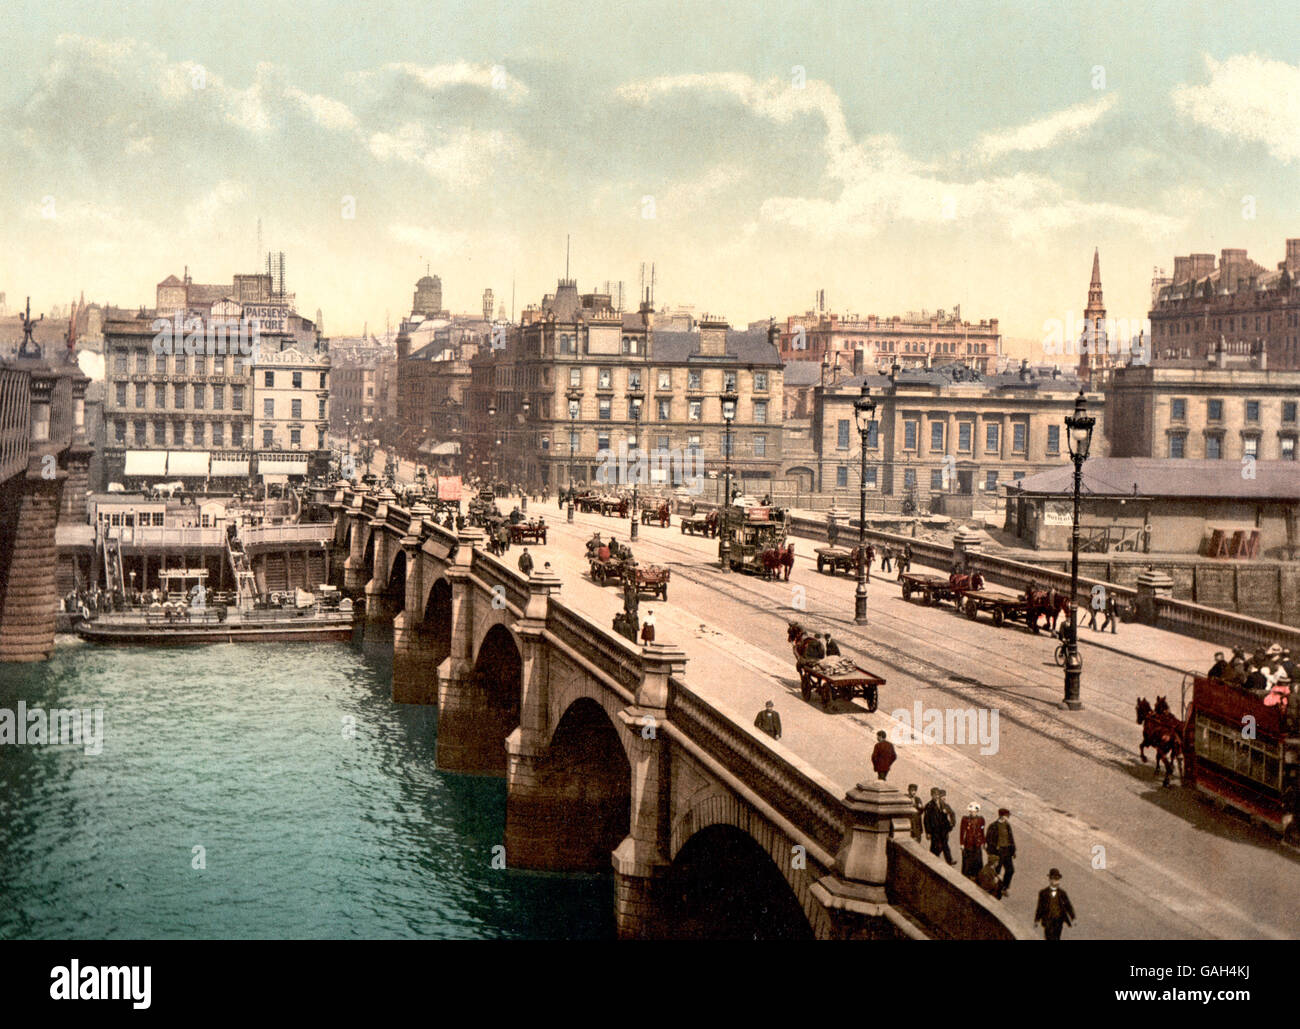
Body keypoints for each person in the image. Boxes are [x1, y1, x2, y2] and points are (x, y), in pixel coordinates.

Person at [1034, 869, 1077, 941]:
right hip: (1048, 920)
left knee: (1057, 937)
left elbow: (1068, 906)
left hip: (1058, 920)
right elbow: (1040, 907)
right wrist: (1037, 920)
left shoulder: (1062, 893)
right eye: (1054, 879)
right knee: (1049, 937)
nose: (1056, 881)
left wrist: (1073, 918)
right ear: (1050, 880)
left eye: (1058, 879)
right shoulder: (1043, 893)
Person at [985, 808, 1016, 896]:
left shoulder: (1007, 825)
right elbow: (988, 840)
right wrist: (991, 852)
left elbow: (1011, 839)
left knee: (1010, 870)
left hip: (1007, 852)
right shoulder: (993, 826)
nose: (1008, 818)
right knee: (996, 872)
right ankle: (993, 889)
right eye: (1007, 816)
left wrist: (1013, 851)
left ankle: (1004, 888)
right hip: (998, 852)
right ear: (1001, 816)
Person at [923, 788, 955, 865]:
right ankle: (932, 861)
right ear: (932, 795)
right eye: (934, 795)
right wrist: (928, 832)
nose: (936, 797)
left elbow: (952, 814)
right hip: (935, 831)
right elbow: (926, 820)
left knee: (945, 845)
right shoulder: (929, 806)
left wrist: (952, 824)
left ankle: (949, 861)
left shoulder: (943, 804)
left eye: (937, 795)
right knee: (935, 846)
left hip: (943, 830)